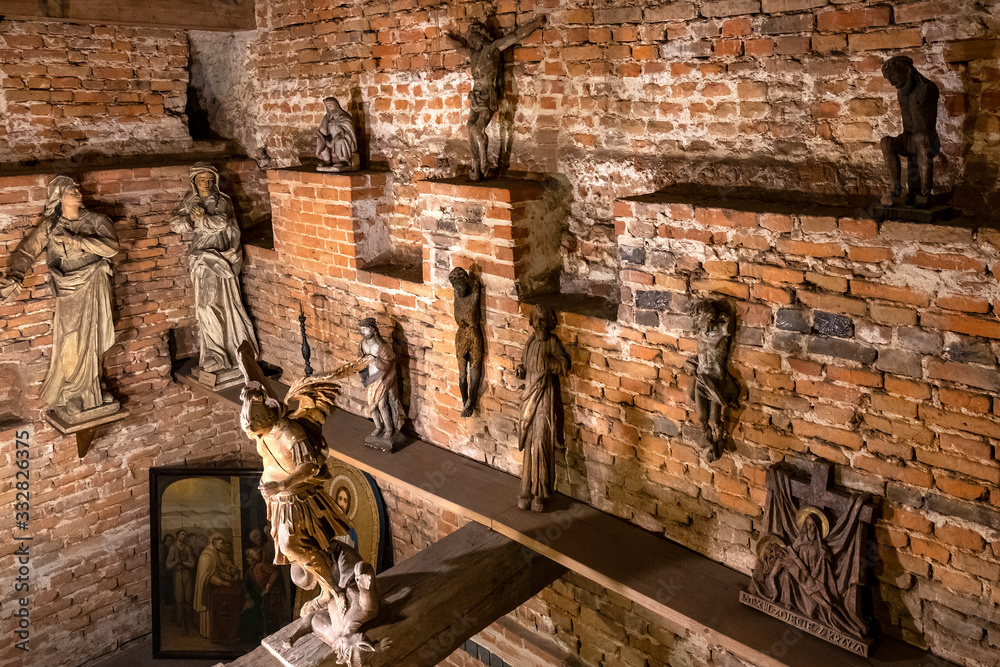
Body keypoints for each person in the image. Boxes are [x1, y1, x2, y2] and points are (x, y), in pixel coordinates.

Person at [0, 176, 119, 417]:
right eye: (70, 190)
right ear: (59, 198)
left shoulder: (97, 221)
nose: (76, 191)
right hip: (68, 287)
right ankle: (72, 393)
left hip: (95, 283)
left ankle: (92, 390)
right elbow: (27, 250)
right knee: (71, 340)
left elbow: (112, 248)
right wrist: (15, 274)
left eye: (76, 188)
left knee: (94, 337)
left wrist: (78, 242)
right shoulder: (50, 226)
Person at [170, 163, 257, 374]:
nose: (206, 184)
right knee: (204, 306)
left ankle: (225, 352)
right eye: (202, 180)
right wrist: (191, 218)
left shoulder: (222, 200)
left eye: (210, 180)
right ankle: (215, 353)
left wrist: (203, 219)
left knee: (219, 304)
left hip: (219, 257)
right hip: (201, 257)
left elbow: (223, 222)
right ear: (194, 181)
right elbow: (175, 225)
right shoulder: (189, 202)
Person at [446, 15, 546, 181]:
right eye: (470, 40)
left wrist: (536, 23)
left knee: (478, 128)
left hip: (488, 94)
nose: (472, 43)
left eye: (474, 39)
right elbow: (459, 47)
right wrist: (447, 37)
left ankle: (484, 163)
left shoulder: (492, 49)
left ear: (482, 36)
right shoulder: (473, 53)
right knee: (470, 126)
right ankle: (475, 163)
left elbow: (516, 36)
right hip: (476, 94)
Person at [516, 305, 570, 512]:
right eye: (536, 320)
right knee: (529, 442)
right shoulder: (530, 343)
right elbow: (525, 365)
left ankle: (541, 491)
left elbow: (564, 365)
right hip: (528, 397)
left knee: (540, 441)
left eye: (542, 320)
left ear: (549, 323)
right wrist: (521, 370)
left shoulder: (552, 343)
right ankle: (526, 488)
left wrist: (551, 363)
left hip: (544, 398)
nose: (538, 325)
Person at [879, 56, 941, 208]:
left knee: (921, 139)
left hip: (928, 140)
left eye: (893, 76)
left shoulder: (927, 88)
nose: (892, 83)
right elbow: (908, 126)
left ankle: (925, 193)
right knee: (886, 142)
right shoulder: (901, 93)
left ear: (907, 70)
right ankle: (895, 189)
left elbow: (925, 126)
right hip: (909, 138)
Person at [685, 300, 738, 461]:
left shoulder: (721, 331)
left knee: (715, 419)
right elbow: (701, 356)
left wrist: (721, 314)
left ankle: (719, 439)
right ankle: (711, 443)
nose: (697, 322)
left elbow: (729, 323)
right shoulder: (700, 334)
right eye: (696, 319)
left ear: (708, 317)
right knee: (702, 420)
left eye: (700, 318)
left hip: (715, 381)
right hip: (701, 378)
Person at [357, 318, 403, 440]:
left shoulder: (382, 346)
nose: (363, 332)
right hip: (370, 378)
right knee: (371, 404)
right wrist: (362, 362)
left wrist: (375, 360)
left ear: (373, 329)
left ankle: (389, 428)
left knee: (382, 404)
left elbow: (388, 364)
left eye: (365, 329)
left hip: (381, 378)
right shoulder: (363, 343)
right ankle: (378, 426)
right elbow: (360, 358)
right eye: (361, 329)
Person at [449, 267, 484, 417]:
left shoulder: (475, 290)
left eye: (461, 285)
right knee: (462, 373)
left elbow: (474, 285)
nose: (459, 289)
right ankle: (465, 401)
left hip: (474, 334)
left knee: (475, 368)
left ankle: (472, 399)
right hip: (462, 335)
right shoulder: (457, 294)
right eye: (456, 287)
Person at [165, 528, 197, 633]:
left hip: (187, 574)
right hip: (177, 575)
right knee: (179, 599)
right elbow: (168, 565)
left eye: (185, 535)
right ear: (178, 535)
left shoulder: (188, 548)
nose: (184, 536)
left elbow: (192, 564)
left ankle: (189, 622)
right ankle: (181, 622)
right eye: (182, 534)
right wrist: (176, 562)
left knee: (188, 598)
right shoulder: (172, 548)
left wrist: (183, 563)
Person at [316, 97, 358, 172]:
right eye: (327, 106)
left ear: (336, 105)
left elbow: (349, 131)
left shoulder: (344, 118)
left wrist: (340, 135)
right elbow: (323, 131)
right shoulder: (328, 118)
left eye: (330, 105)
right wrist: (326, 119)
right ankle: (327, 160)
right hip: (331, 140)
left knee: (339, 141)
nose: (329, 107)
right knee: (321, 141)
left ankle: (343, 160)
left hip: (342, 139)